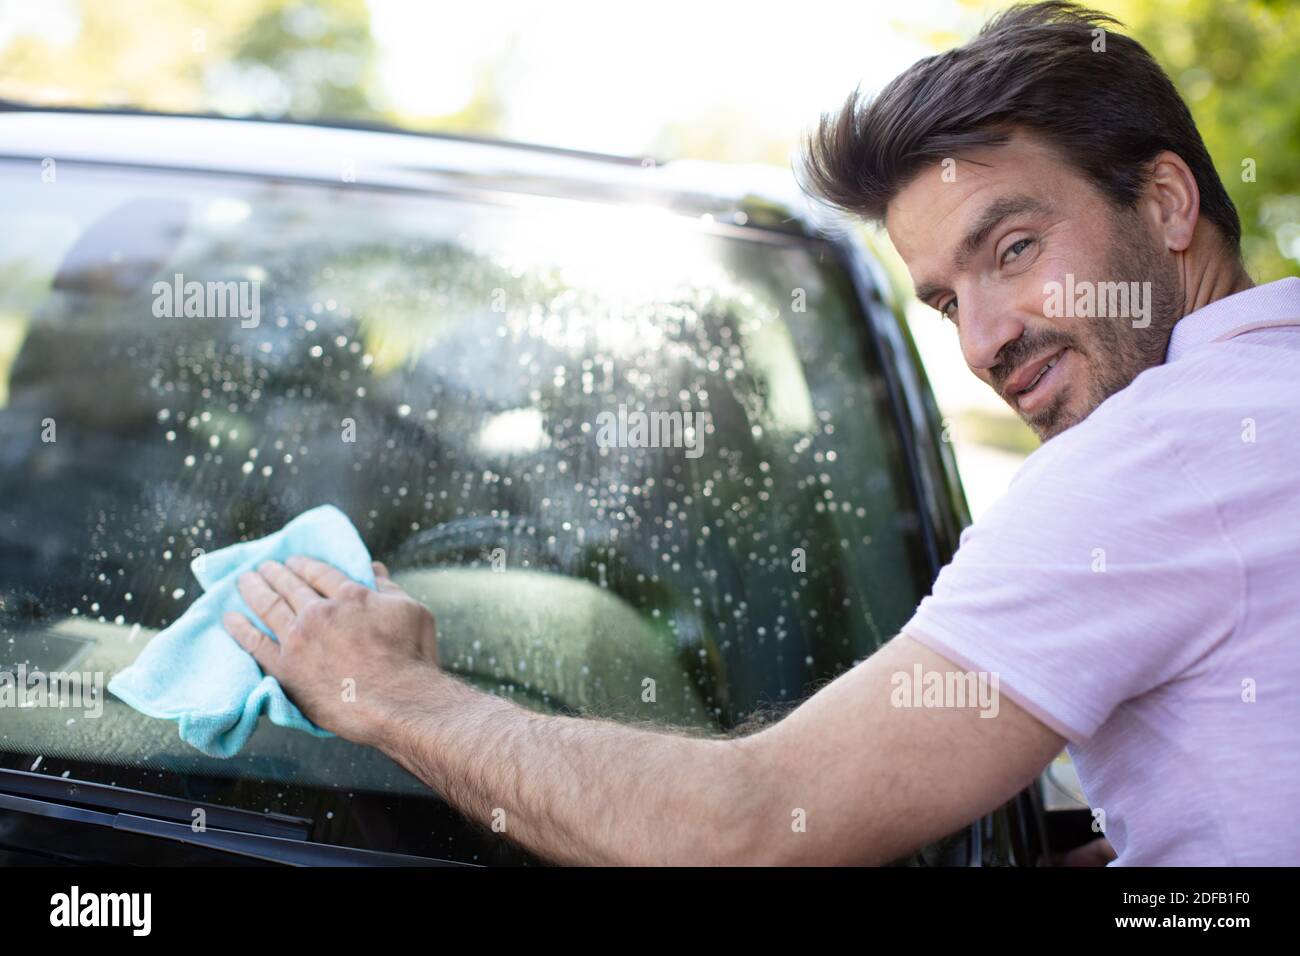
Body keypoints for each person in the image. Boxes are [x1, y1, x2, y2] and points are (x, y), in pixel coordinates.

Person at [223, 1, 1300, 865]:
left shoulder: (1145, 463)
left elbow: (745, 828)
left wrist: (394, 693)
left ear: (1165, 202)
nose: (983, 341)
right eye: (943, 299)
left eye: (1012, 247)